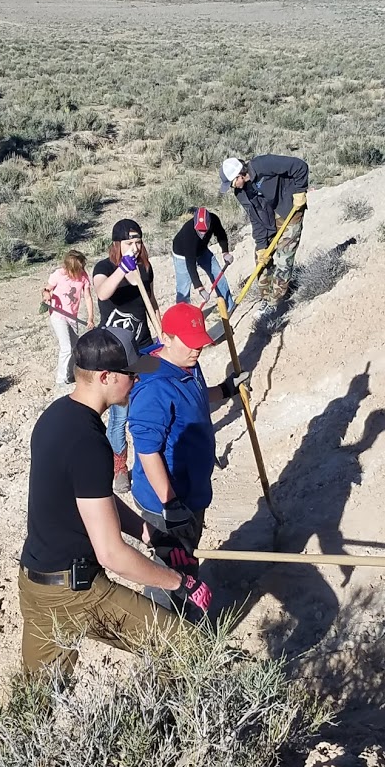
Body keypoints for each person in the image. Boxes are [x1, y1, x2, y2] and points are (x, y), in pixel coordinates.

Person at [18, 325, 212, 675]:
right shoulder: (90, 444)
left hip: (36, 586)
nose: (137, 381)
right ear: (105, 377)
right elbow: (112, 555)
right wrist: (180, 581)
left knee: (38, 700)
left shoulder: (57, 416)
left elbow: (97, 501)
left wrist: (151, 534)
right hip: (79, 591)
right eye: (131, 374)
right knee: (189, 650)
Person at [128, 303, 249, 559]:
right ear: (166, 338)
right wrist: (170, 504)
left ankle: (188, 595)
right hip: (167, 499)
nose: (197, 350)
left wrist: (226, 390)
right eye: (189, 342)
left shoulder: (187, 361)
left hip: (192, 488)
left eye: (200, 343)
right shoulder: (153, 388)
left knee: (187, 558)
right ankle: (167, 600)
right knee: (171, 572)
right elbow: (147, 451)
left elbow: (192, 398)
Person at [93, 219, 161, 494]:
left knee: (152, 400)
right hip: (116, 353)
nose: (135, 247)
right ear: (116, 244)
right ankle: (119, 468)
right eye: (129, 243)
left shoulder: (145, 267)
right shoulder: (104, 268)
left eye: (138, 242)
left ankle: (153, 458)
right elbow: (102, 291)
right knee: (121, 414)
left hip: (143, 347)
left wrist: (161, 331)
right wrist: (122, 270)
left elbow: (152, 302)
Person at [219, 155, 309, 307]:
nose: (232, 187)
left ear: (240, 174)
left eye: (232, 183)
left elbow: (300, 166)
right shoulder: (241, 193)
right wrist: (261, 246)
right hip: (269, 218)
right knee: (261, 260)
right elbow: (255, 218)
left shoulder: (263, 164)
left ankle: (275, 304)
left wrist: (300, 190)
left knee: (283, 258)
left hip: (289, 208)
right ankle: (266, 299)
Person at [41, 249, 94, 387]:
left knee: (75, 347)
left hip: (72, 317)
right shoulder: (59, 274)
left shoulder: (83, 277)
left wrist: (90, 317)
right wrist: (47, 295)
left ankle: (70, 374)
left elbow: (87, 297)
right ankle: (61, 379)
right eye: (79, 268)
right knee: (66, 347)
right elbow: (46, 289)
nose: (82, 270)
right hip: (58, 315)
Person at [171, 206, 235, 313]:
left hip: (202, 251)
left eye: (204, 230)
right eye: (199, 230)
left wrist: (225, 252)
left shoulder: (214, 219)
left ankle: (228, 306)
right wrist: (200, 288)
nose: (202, 233)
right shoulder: (189, 232)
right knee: (183, 288)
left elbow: (221, 234)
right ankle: (183, 317)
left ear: (209, 223)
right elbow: (190, 263)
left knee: (218, 275)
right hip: (182, 255)